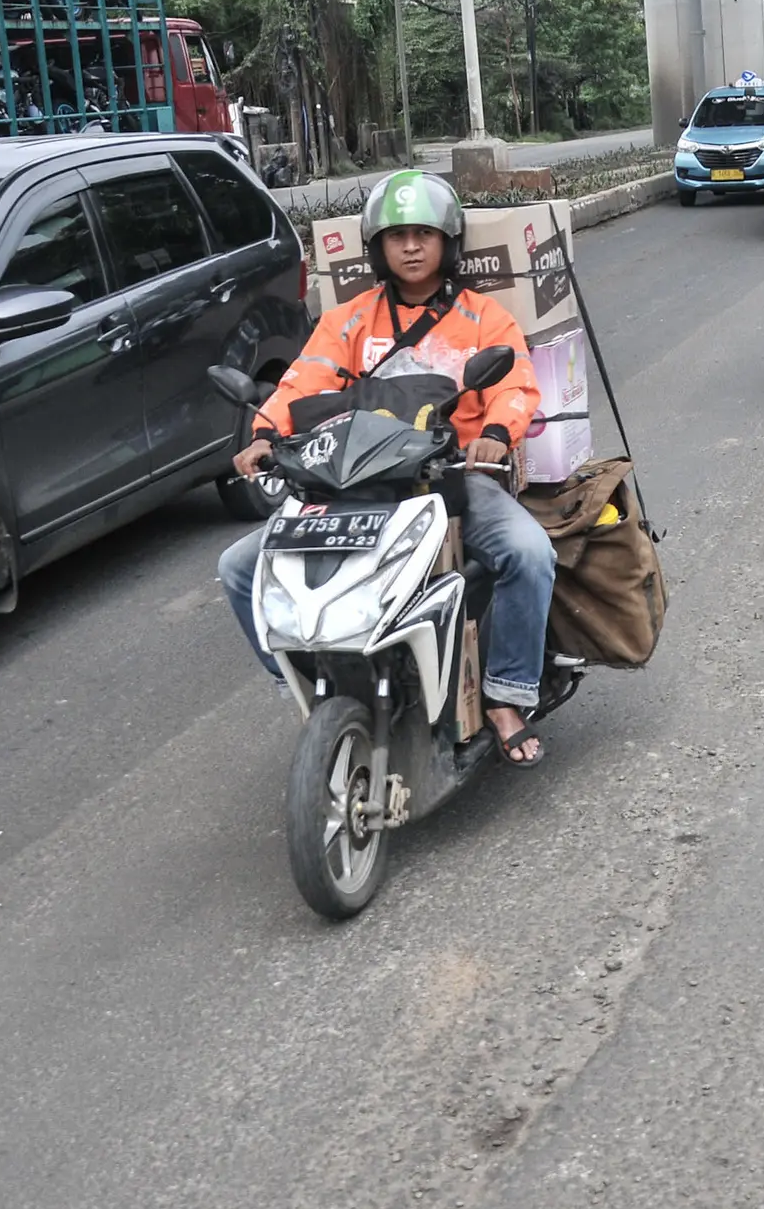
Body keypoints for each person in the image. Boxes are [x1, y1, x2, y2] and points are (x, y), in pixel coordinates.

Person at [215, 171, 557, 767]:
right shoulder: (349, 320)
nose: (412, 247)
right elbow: (305, 379)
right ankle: (307, 682)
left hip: (450, 480)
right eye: (397, 236)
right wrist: (266, 434)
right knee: (241, 568)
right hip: (354, 483)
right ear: (378, 248)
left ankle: (506, 694)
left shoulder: (484, 318)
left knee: (529, 554)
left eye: (425, 234)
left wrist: (497, 434)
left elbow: (516, 385)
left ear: (448, 242)